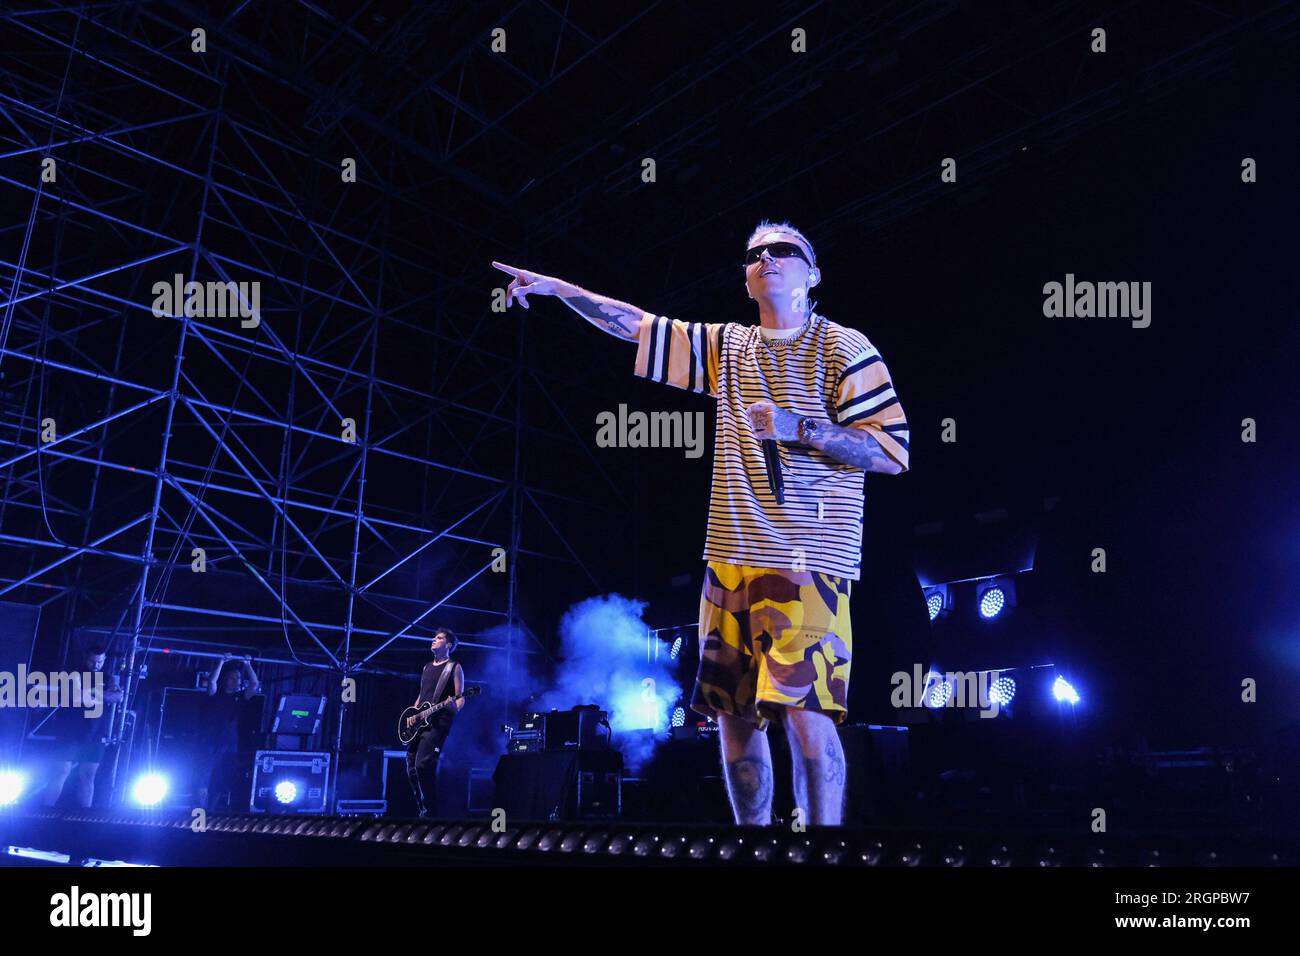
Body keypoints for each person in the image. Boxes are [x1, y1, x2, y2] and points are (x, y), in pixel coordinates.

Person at [492, 220, 910, 825]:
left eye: (783, 250)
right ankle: (754, 843)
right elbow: (634, 324)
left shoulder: (844, 347)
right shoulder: (729, 347)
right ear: (745, 279)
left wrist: (799, 427)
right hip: (728, 560)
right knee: (732, 714)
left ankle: (823, 849)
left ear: (812, 274)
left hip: (806, 559)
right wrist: (559, 290)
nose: (766, 258)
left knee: (803, 711)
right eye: (753, 254)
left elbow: (893, 451)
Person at [43, 645, 123, 808]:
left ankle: (85, 817)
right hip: (70, 732)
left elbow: (118, 696)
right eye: (92, 661)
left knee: (88, 777)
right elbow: (75, 695)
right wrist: (97, 696)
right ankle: (45, 811)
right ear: (85, 658)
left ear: (104, 660)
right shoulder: (73, 674)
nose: (96, 665)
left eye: (99, 662)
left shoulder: (108, 678)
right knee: (60, 772)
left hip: (95, 732)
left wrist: (91, 695)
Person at [404, 628, 465, 817]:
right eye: (434, 637)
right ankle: (424, 809)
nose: (433, 640)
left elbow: (460, 698)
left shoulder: (454, 667)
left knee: (424, 765)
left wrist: (453, 706)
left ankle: (432, 812)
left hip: (438, 723)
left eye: (438, 638)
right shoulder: (427, 667)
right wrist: (413, 714)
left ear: (448, 645)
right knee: (411, 767)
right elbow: (422, 696)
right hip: (419, 722)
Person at [197, 654, 260, 810]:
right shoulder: (217, 694)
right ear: (225, 679)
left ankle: (210, 813)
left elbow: (254, 684)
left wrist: (247, 664)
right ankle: (200, 814)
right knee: (203, 779)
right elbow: (211, 682)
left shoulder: (240, 697)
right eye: (233, 678)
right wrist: (221, 661)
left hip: (230, 743)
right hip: (210, 742)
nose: (237, 681)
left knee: (220, 780)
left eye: (238, 679)